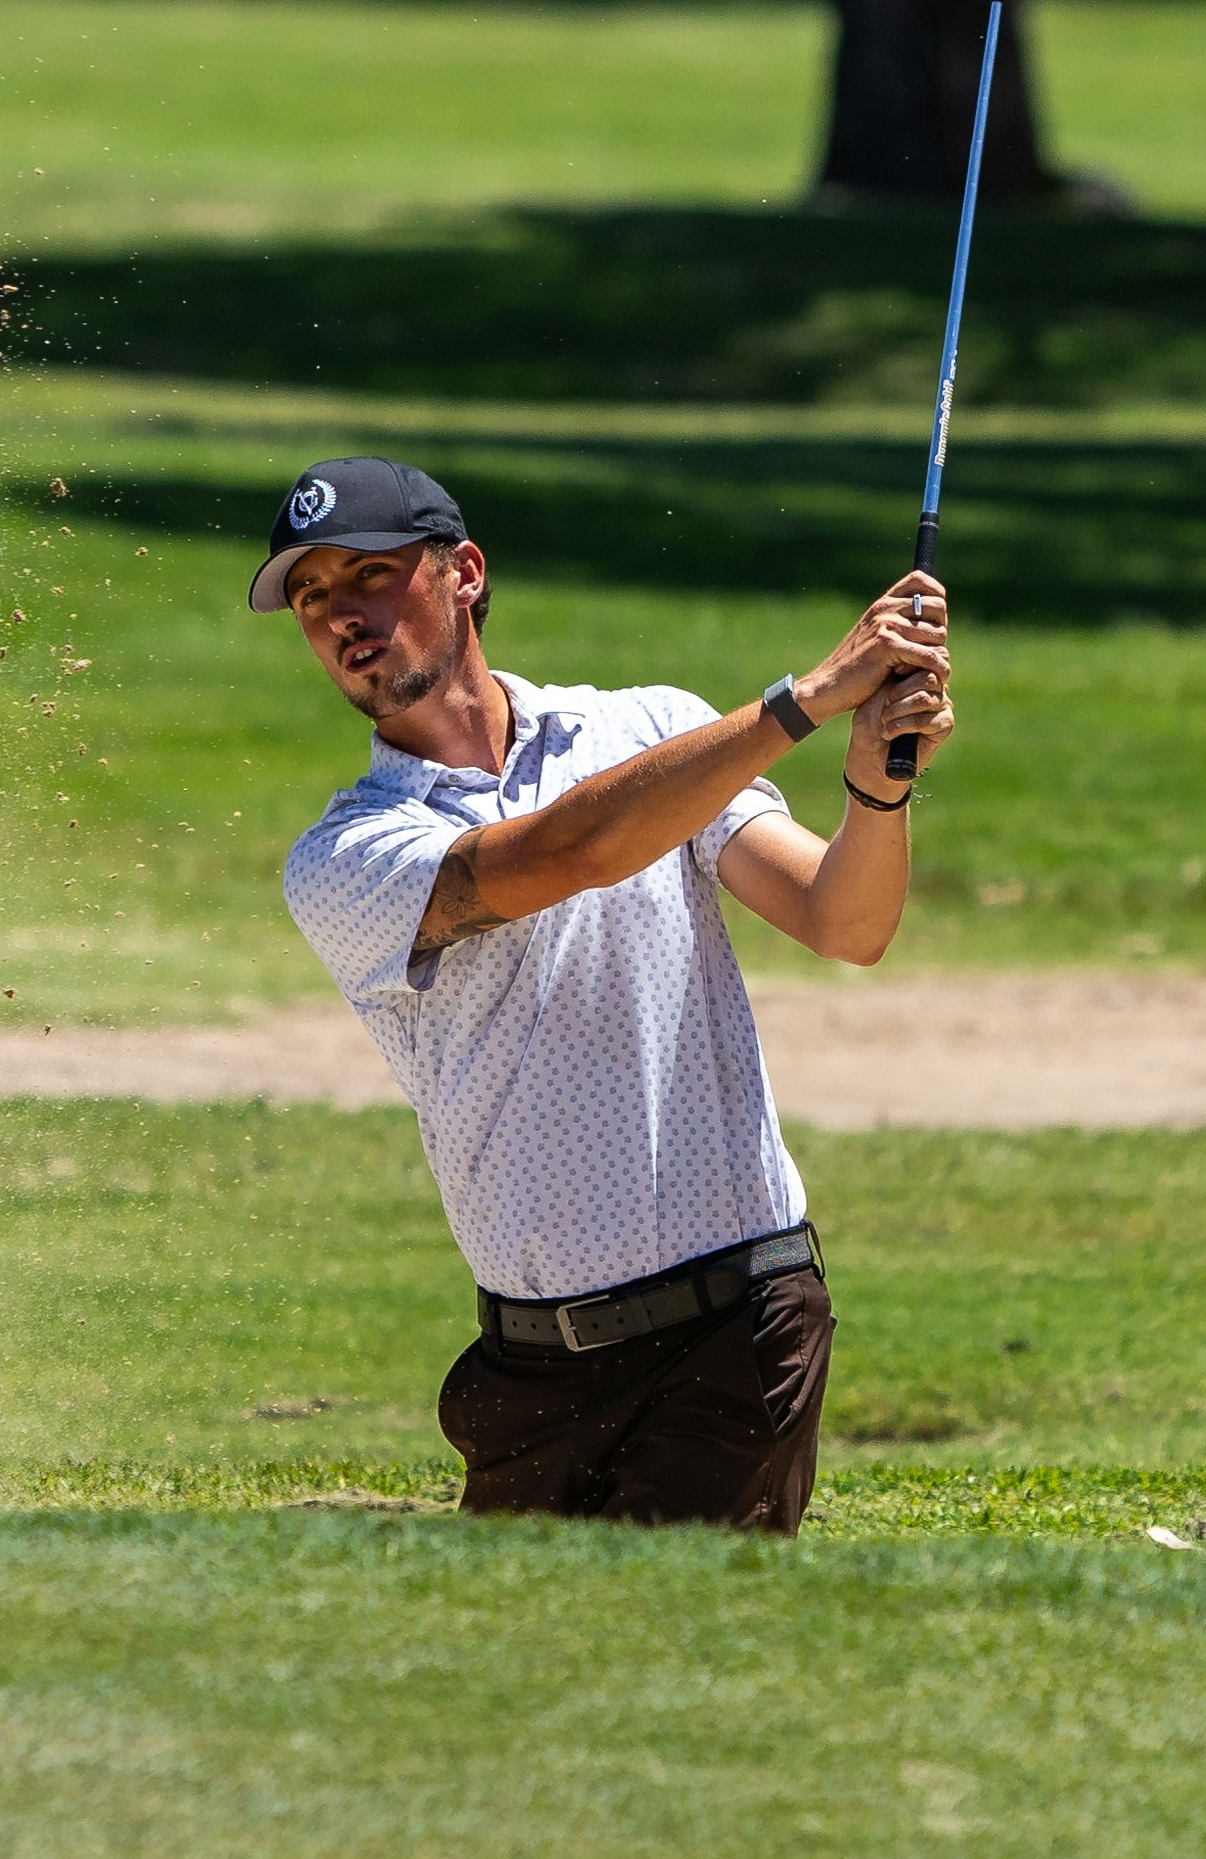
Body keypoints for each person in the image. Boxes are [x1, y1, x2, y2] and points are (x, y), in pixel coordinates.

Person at [256, 457, 953, 1532]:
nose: (340, 613)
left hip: (735, 1323)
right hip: (527, 1365)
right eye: (311, 596)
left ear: (464, 574)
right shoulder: (345, 852)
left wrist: (874, 785)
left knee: (670, 1666)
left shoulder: (649, 731)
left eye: (369, 574)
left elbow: (842, 921)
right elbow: (567, 851)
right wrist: (807, 697)